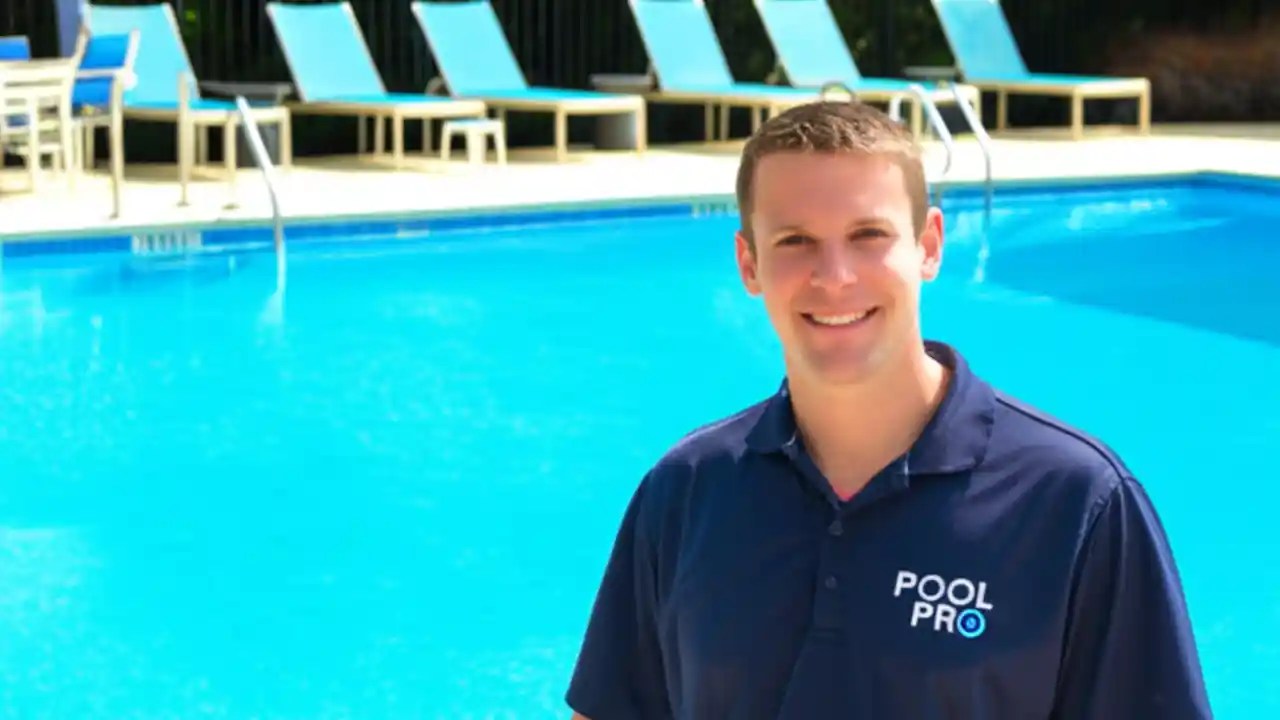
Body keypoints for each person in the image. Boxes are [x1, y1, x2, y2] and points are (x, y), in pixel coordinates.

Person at [564, 101, 1212, 719]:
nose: (836, 276)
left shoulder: (1075, 501)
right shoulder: (685, 492)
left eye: (868, 234)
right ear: (749, 263)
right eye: (795, 241)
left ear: (929, 245)